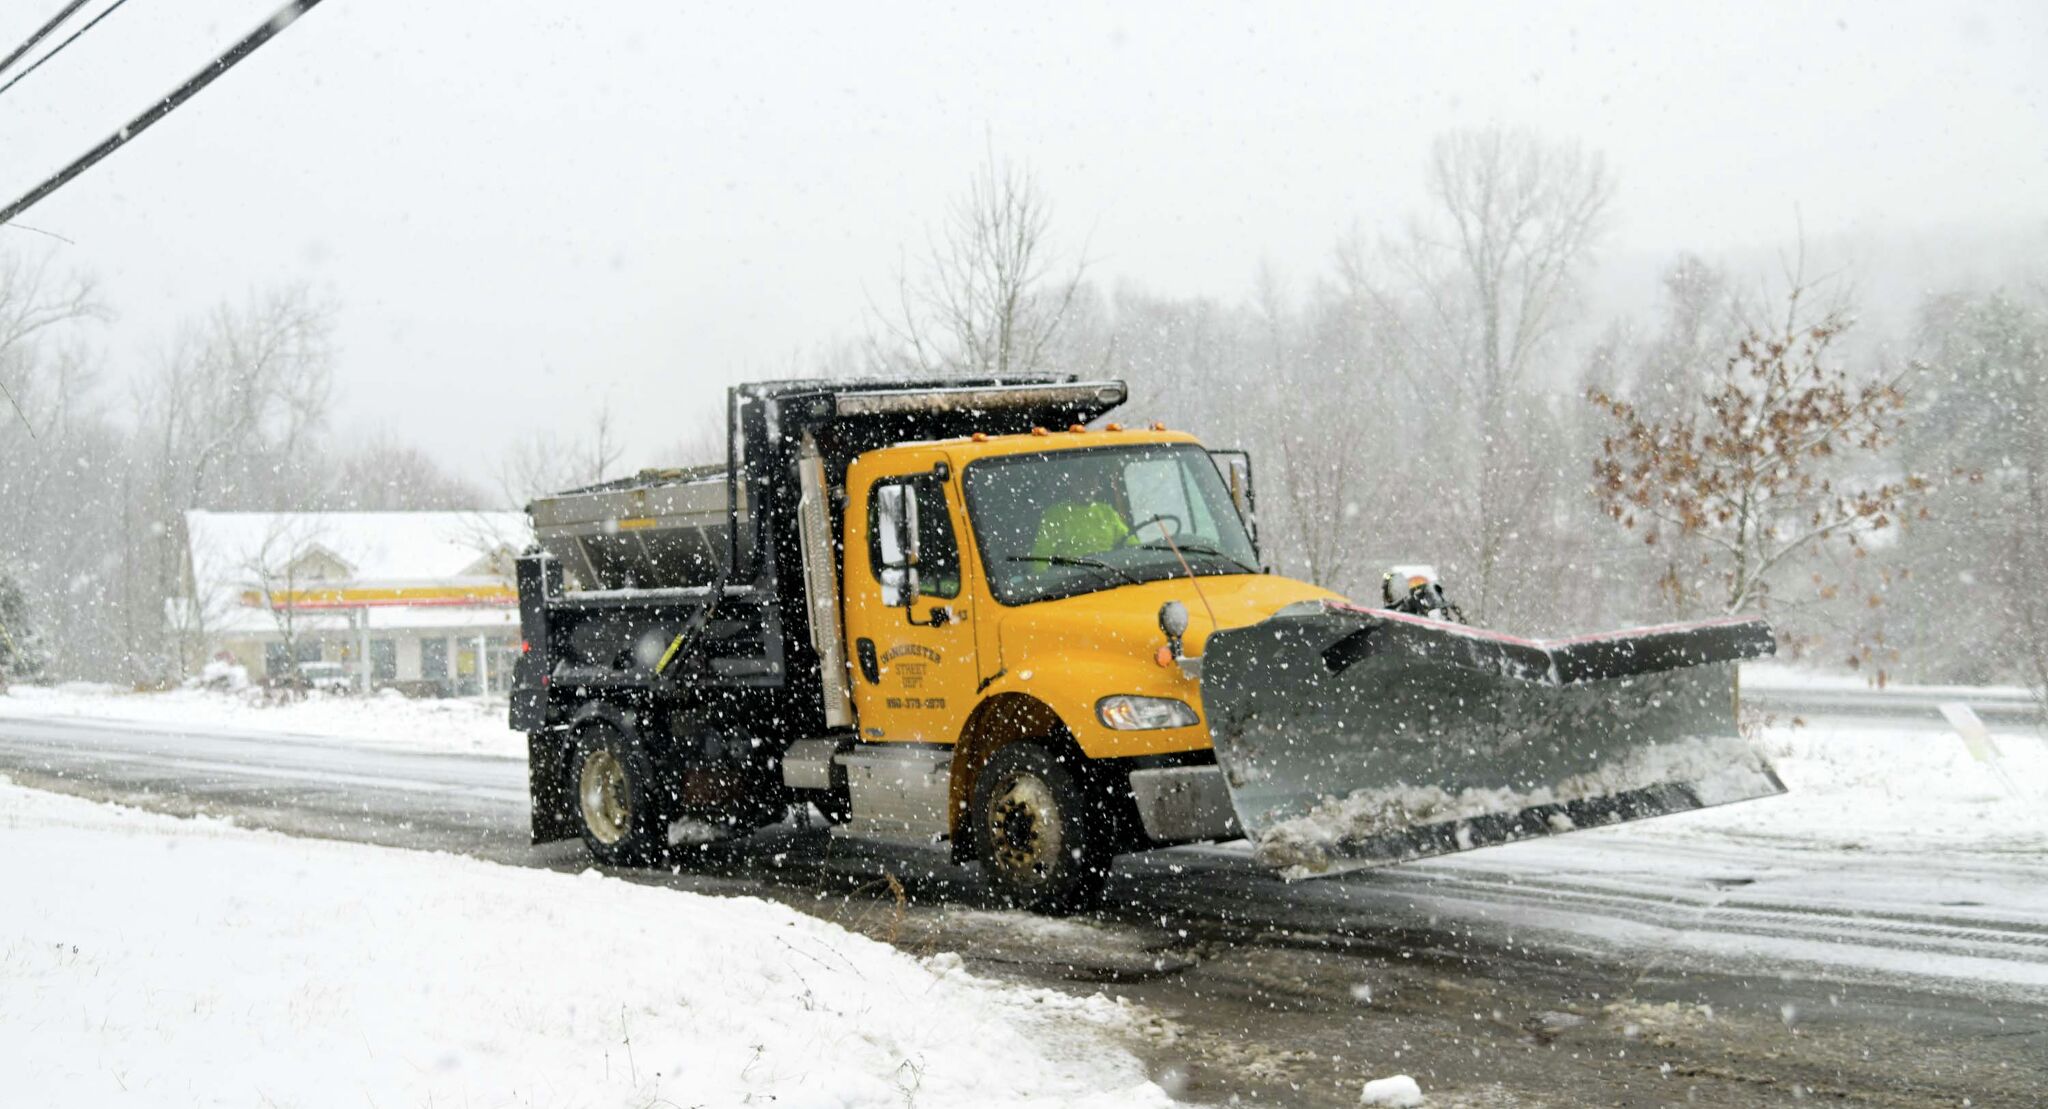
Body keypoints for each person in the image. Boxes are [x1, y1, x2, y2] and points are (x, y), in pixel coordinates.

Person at [1031, 467, 1133, 561]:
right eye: (1082, 479)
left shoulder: (1106, 511)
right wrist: (1038, 577)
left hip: (1112, 573)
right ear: (1072, 483)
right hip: (1074, 576)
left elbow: (1128, 540)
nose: (1088, 484)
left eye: (1092, 478)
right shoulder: (1055, 514)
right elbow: (1042, 554)